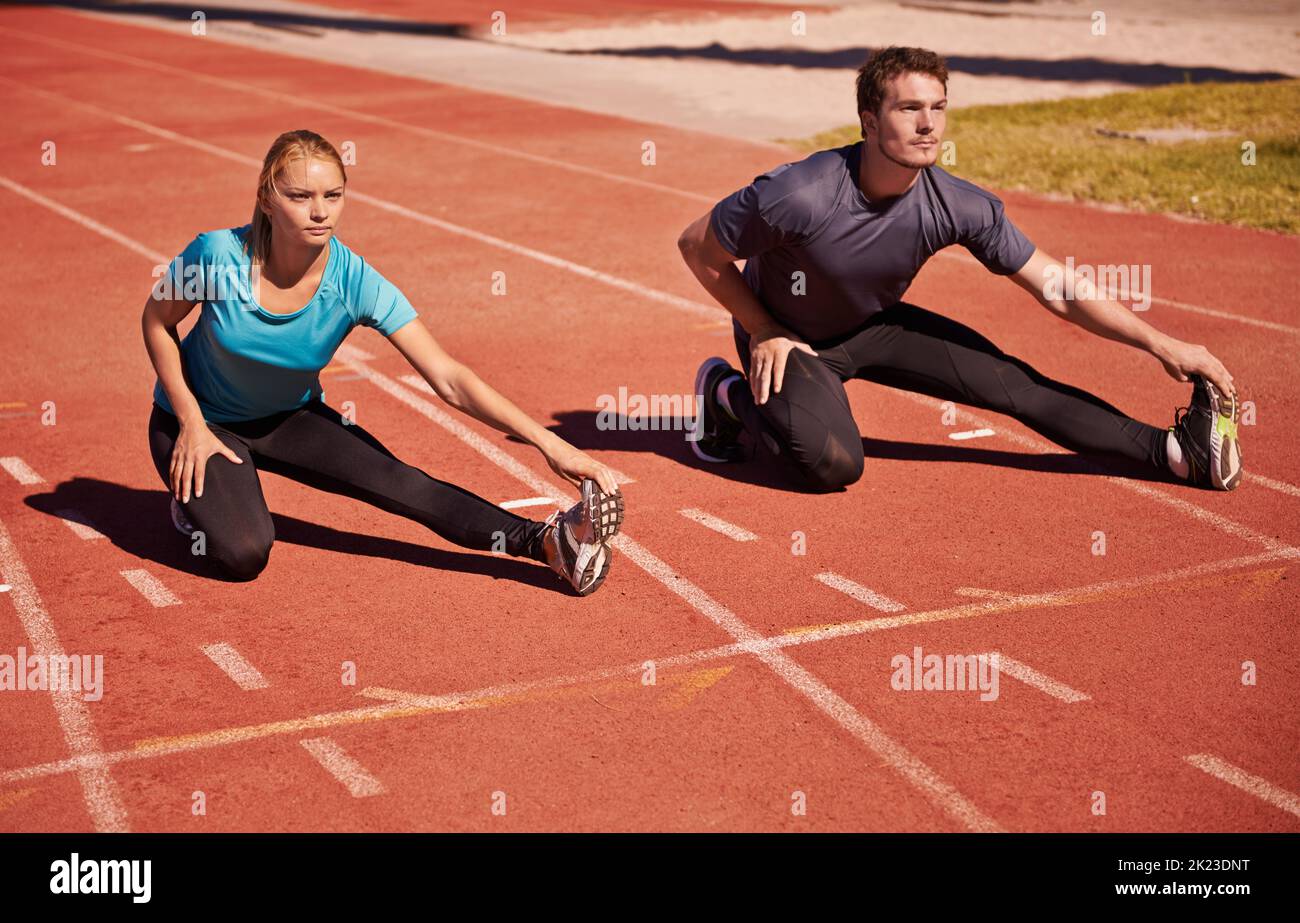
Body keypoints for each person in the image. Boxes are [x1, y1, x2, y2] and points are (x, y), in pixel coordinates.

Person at [678, 46, 1242, 493]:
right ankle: (726, 394)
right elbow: (696, 246)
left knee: (1014, 384)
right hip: (787, 337)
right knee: (833, 465)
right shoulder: (801, 193)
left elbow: (1061, 291)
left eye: (938, 107)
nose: (928, 125)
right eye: (909, 109)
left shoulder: (959, 205)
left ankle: (1175, 452)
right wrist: (761, 326)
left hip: (872, 325)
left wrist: (1163, 345)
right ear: (869, 122)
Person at [141, 130, 623, 594]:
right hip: (199, 422)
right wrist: (190, 421)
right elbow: (157, 323)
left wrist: (550, 444)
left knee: (403, 483)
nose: (319, 211)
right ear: (267, 198)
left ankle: (547, 542)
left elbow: (449, 378)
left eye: (333, 195)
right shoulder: (216, 256)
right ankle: (196, 509)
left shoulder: (354, 281)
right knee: (245, 552)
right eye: (300, 196)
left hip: (288, 419)